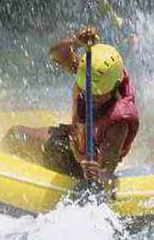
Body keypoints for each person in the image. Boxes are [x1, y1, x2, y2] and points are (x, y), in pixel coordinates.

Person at [43, 28, 139, 188]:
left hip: (77, 163)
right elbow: (55, 54)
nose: (90, 97)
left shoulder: (119, 122)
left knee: (18, 137)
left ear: (114, 88)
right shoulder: (89, 74)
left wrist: (98, 173)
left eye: (97, 94)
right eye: (88, 92)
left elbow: (107, 171)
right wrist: (77, 42)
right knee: (15, 134)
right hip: (71, 140)